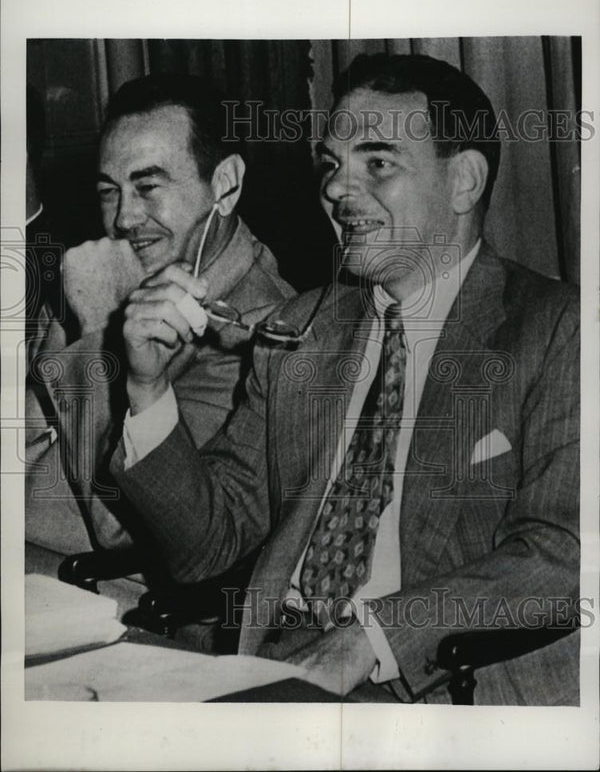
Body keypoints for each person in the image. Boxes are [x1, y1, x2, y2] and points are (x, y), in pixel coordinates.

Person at [112, 54, 579, 704]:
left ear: (464, 181)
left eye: (377, 163)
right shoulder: (300, 328)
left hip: (439, 687)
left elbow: (564, 552)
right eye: (330, 164)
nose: (335, 188)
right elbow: (206, 549)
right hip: (274, 667)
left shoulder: (560, 329)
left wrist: (368, 641)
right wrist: (147, 387)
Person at [25, 73, 294, 559]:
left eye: (148, 186)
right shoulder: (108, 270)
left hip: (119, 606)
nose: (124, 218)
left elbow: (121, 526)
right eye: (110, 191)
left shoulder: (258, 332)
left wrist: (97, 327)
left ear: (225, 186)